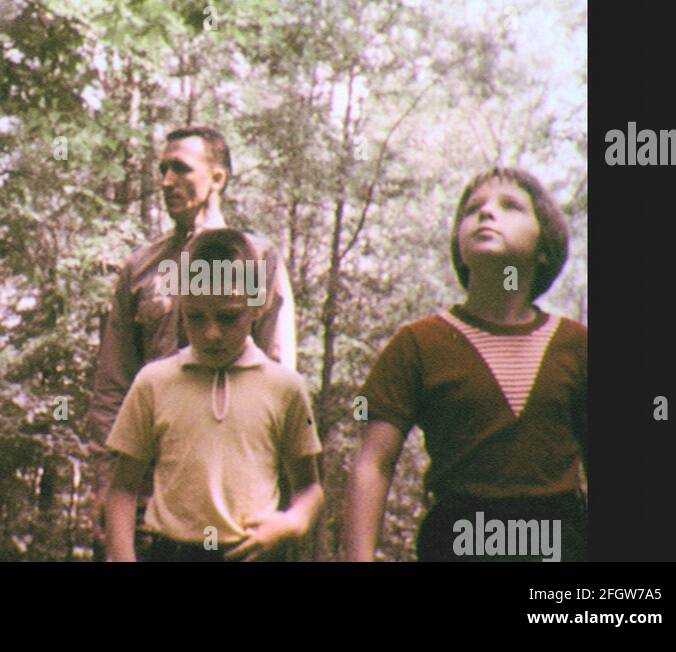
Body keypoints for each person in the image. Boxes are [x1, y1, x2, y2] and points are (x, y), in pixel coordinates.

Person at [344, 167, 587, 562]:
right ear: (458, 245)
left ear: (546, 247)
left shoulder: (576, 345)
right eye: (473, 208)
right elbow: (373, 462)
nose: (487, 213)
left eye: (510, 206)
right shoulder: (419, 344)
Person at [86, 125, 297, 561]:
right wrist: (107, 483)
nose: (165, 181)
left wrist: (283, 507)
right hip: (150, 499)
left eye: (180, 168)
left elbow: (277, 375)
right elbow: (112, 383)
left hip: (235, 502)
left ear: (217, 177)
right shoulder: (140, 268)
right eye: (161, 169)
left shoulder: (257, 258)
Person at [104, 229, 323, 561]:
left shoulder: (285, 388)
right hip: (170, 552)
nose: (211, 333)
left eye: (228, 317)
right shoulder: (154, 383)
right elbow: (122, 486)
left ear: (257, 305)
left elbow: (310, 488)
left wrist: (291, 522)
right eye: (195, 317)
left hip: (250, 552)